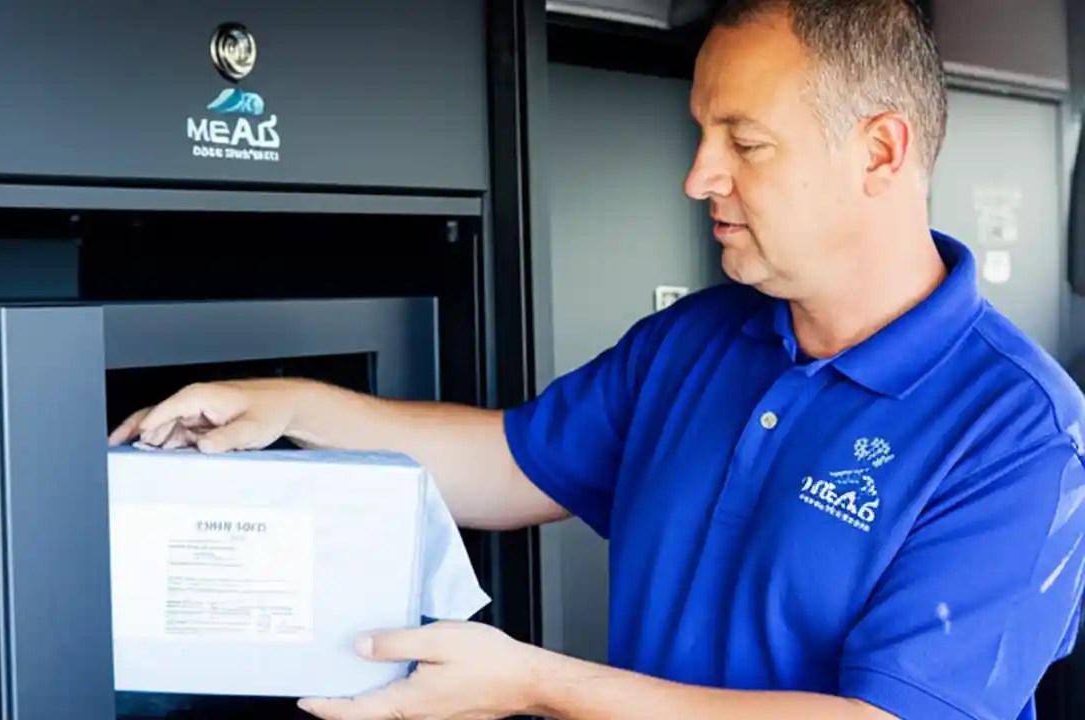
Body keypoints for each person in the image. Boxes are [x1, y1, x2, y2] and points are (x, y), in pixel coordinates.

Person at [109, 1, 1085, 718]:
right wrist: (292, 406)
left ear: (879, 152)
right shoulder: (697, 340)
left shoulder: (1019, 435)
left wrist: (538, 685)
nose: (697, 176)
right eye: (700, 133)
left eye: (743, 143)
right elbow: (510, 462)